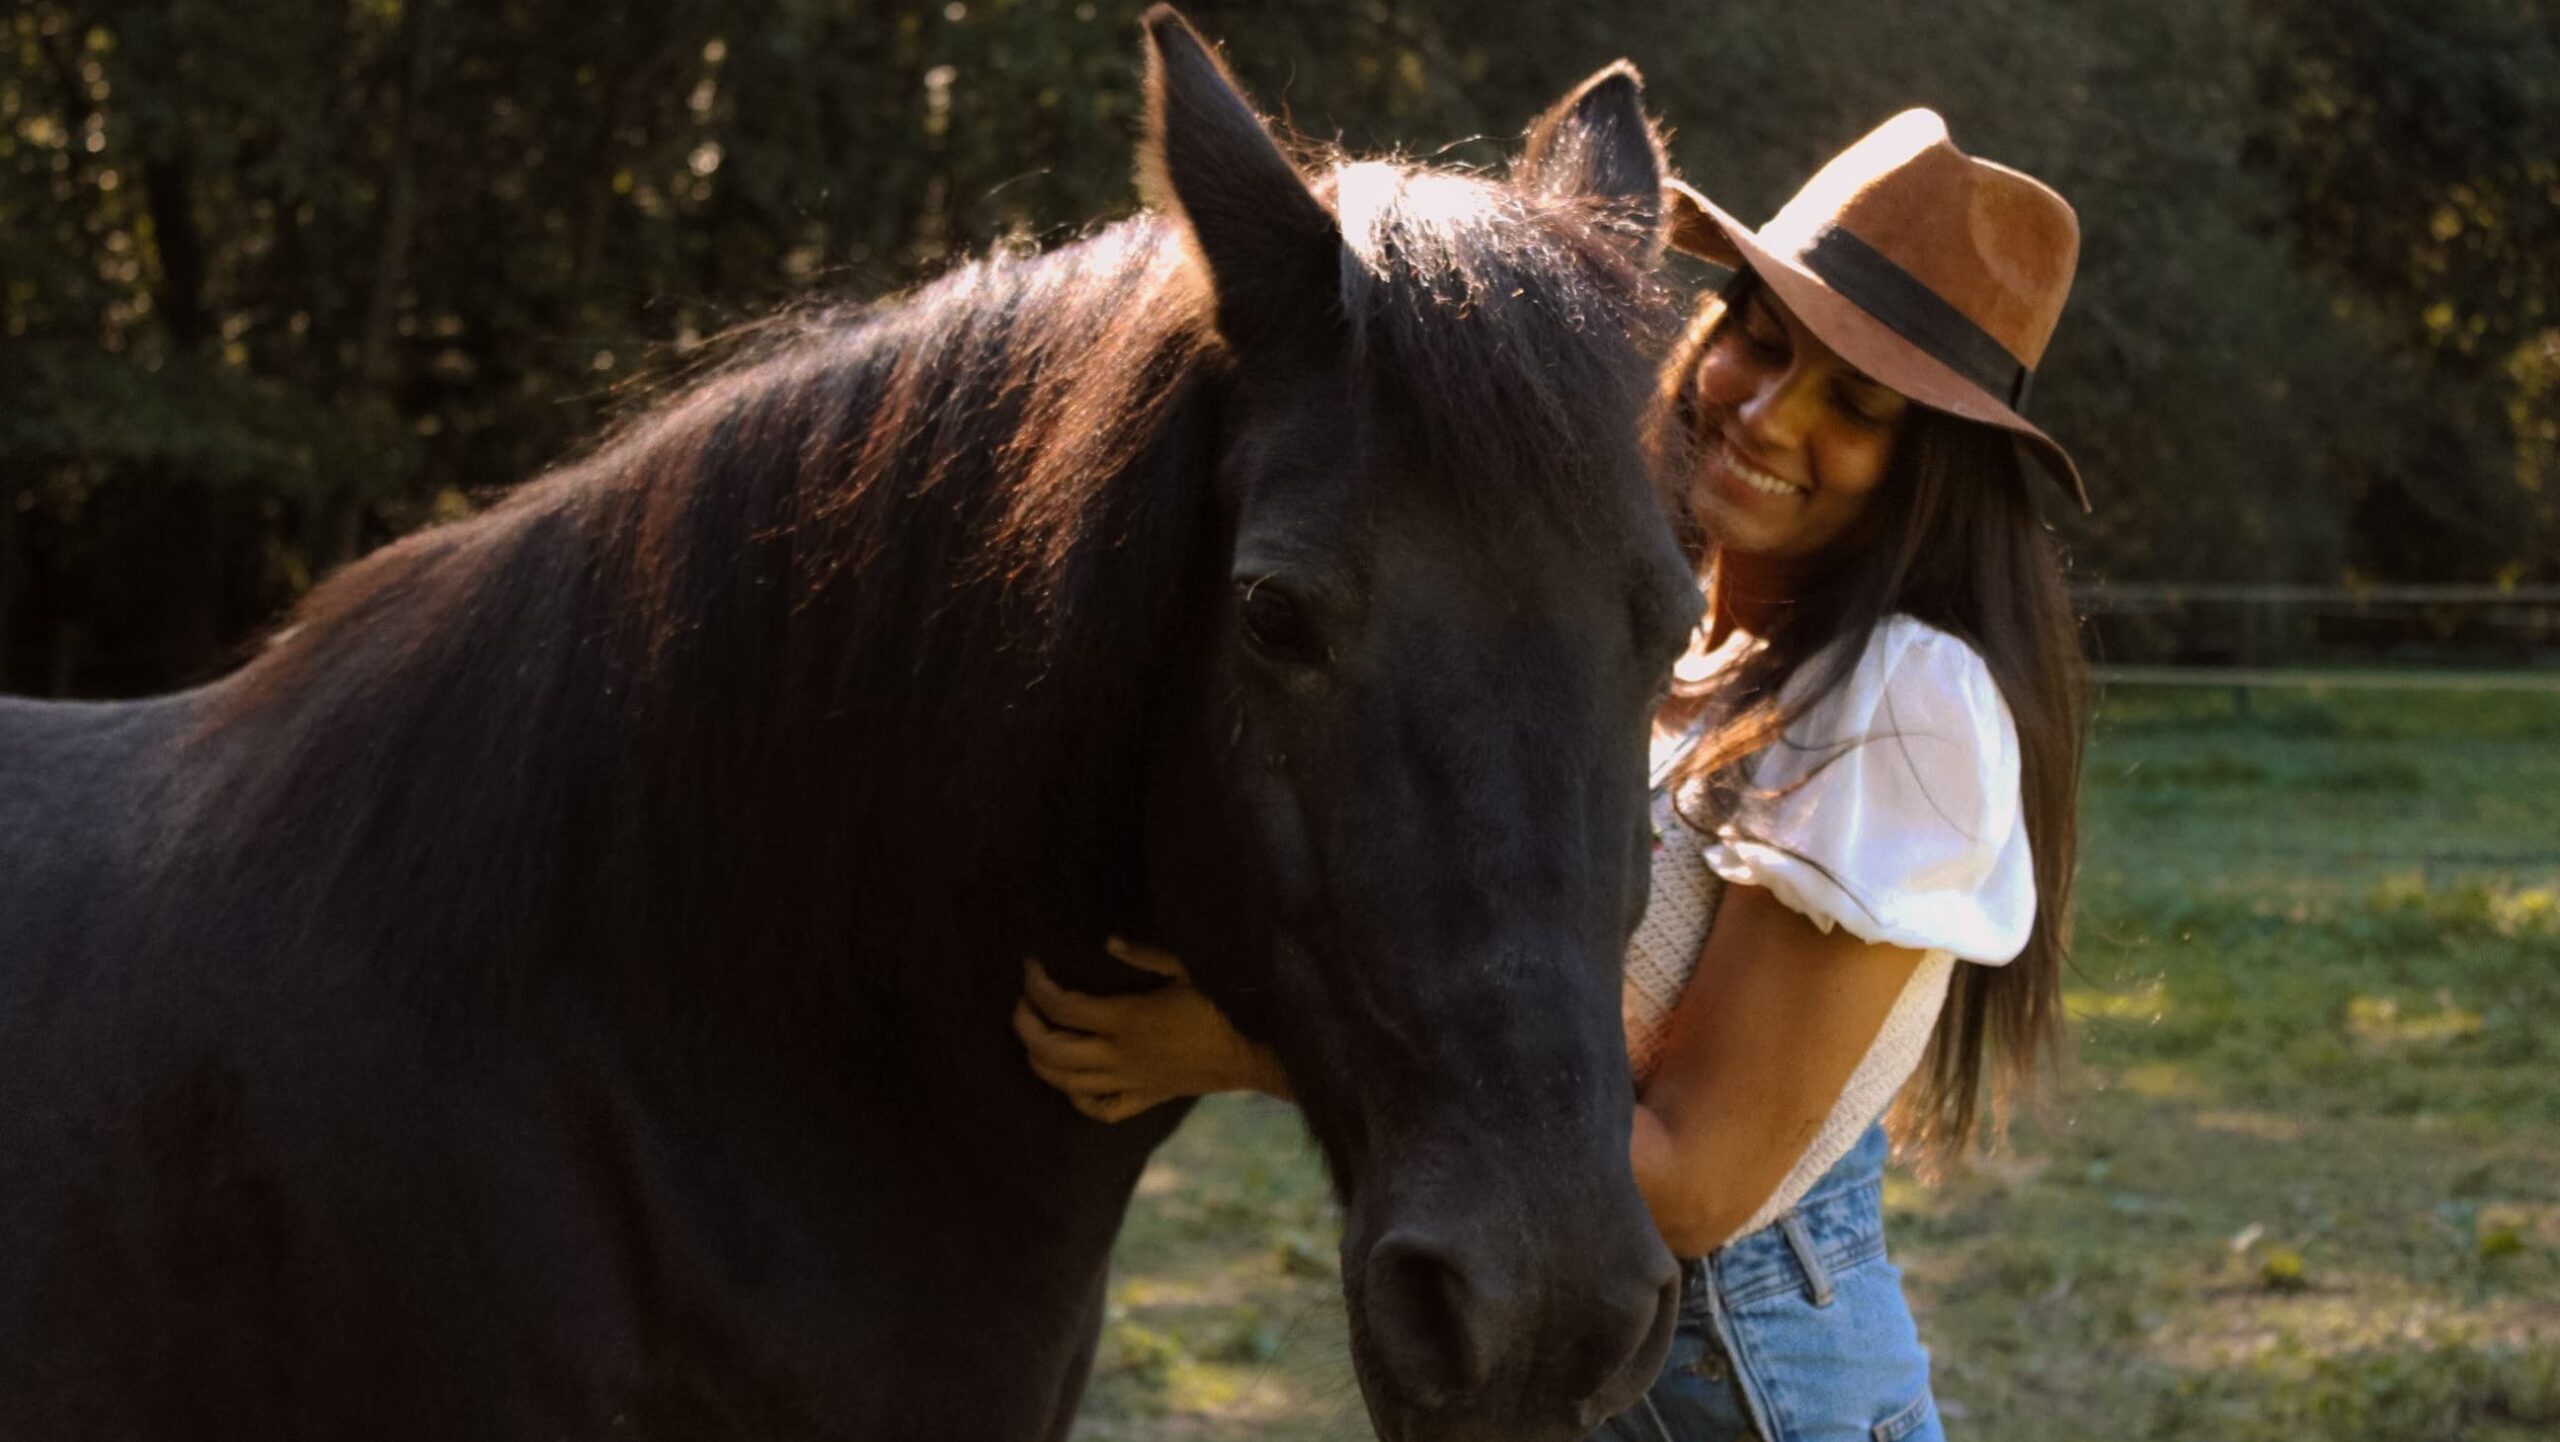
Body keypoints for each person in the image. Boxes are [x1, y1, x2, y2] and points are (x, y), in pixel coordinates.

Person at [1015, 109, 2090, 1442]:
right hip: (1577, 1319)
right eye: (1761, 334)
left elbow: (1696, 1184)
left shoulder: (1906, 700)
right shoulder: (1671, 625)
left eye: (1856, 407)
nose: (1767, 410)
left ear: (1934, 469)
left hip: (1741, 1387)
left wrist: (1241, 1047)